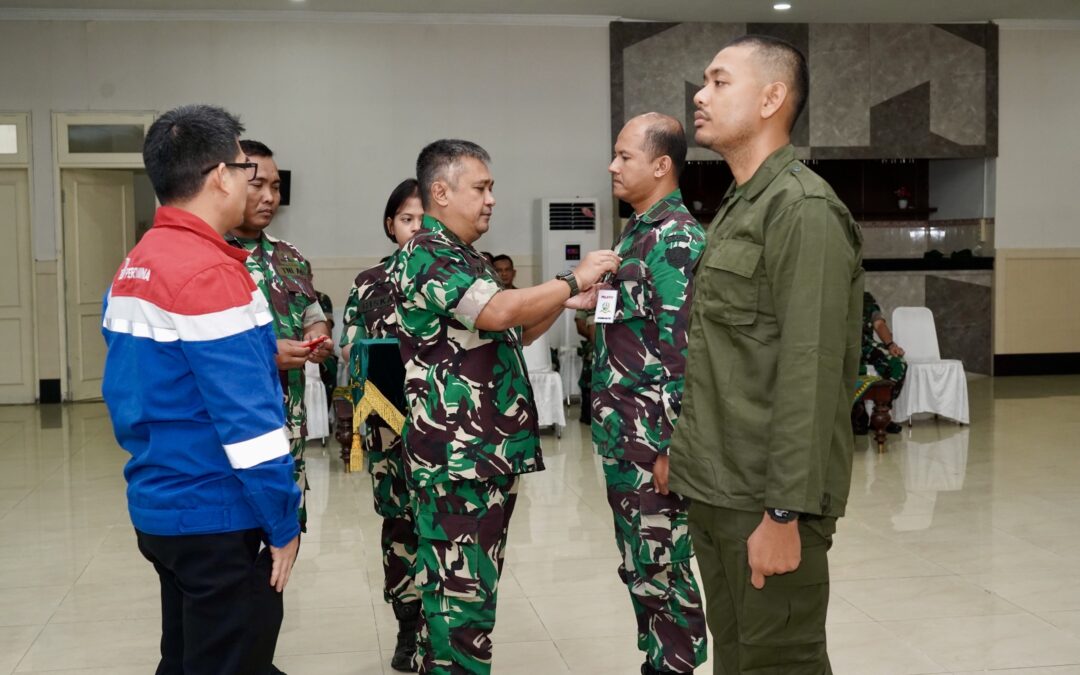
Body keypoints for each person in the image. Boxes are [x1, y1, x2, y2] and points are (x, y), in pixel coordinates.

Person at [668, 36, 864, 673]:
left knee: (781, 662)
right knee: (739, 659)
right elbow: (726, 356)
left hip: (766, 501)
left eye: (720, 82)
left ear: (772, 98)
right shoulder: (738, 204)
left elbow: (810, 374)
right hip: (718, 488)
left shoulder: (802, 210)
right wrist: (684, 454)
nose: (700, 94)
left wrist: (785, 513)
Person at [392, 139, 619, 674]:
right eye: (481, 188)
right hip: (457, 461)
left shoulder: (463, 256)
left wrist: (563, 301)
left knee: (469, 593)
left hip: (482, 457)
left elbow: (510, 329)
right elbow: (497, 311)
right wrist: (574, 277)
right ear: (441, 192)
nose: (492, 199)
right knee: (459, 603)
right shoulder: (429, 253)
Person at [101, 104, 301, 674]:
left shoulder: (136, 263)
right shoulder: (210, 272)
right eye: (245, 168)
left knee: (188, 657)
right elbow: (251, 426)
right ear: (219, 175)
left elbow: (148, 377)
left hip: (160, 503)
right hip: (215, 509)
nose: (252, 182)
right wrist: (283, 523)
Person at [593, 113, 708, 675]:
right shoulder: (638, 231)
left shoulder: (676, 240)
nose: (612, 166)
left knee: (665, 567)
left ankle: (676, 665)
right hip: (625, 438)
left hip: (652, 445)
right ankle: (658, 660)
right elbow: (634, 326)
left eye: (625, 157)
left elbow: (684, 354)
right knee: (641, 565)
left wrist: (671, 447)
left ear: (662, 165)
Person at [339, 178, 424, 672]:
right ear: (390, 224)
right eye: (406, 219)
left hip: (447, 434)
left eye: (423, 220)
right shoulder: (370, 283)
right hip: (389, 426)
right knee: (400, 529)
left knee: (445, 531)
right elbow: (350, 348)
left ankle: (443, 627)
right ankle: (407, 625)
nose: (415, 229)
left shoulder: (456, 275)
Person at [226, 139, 333, 532]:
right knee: (241, 536)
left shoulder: (290, 256)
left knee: (285, 532)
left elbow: (311, 313)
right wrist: (268, 356)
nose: (270, 197)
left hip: (290, 424)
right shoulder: (212, 256)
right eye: (258, 185)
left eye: (276, 187)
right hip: (239, 429)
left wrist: (318, 336)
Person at [854, 290, 907, 435]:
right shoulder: (830, 295)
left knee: (897, 363)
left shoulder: (865, 298)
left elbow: (878, 324)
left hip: (866, 346)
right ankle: (858, 414)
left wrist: (891, 345)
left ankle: (882, 411)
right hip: (844, 347)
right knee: (852, 369)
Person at [574, 309, 594, 425]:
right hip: (592, 352)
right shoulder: (589, 296)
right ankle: (587, 416)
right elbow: (580, 326)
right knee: (587, 385)